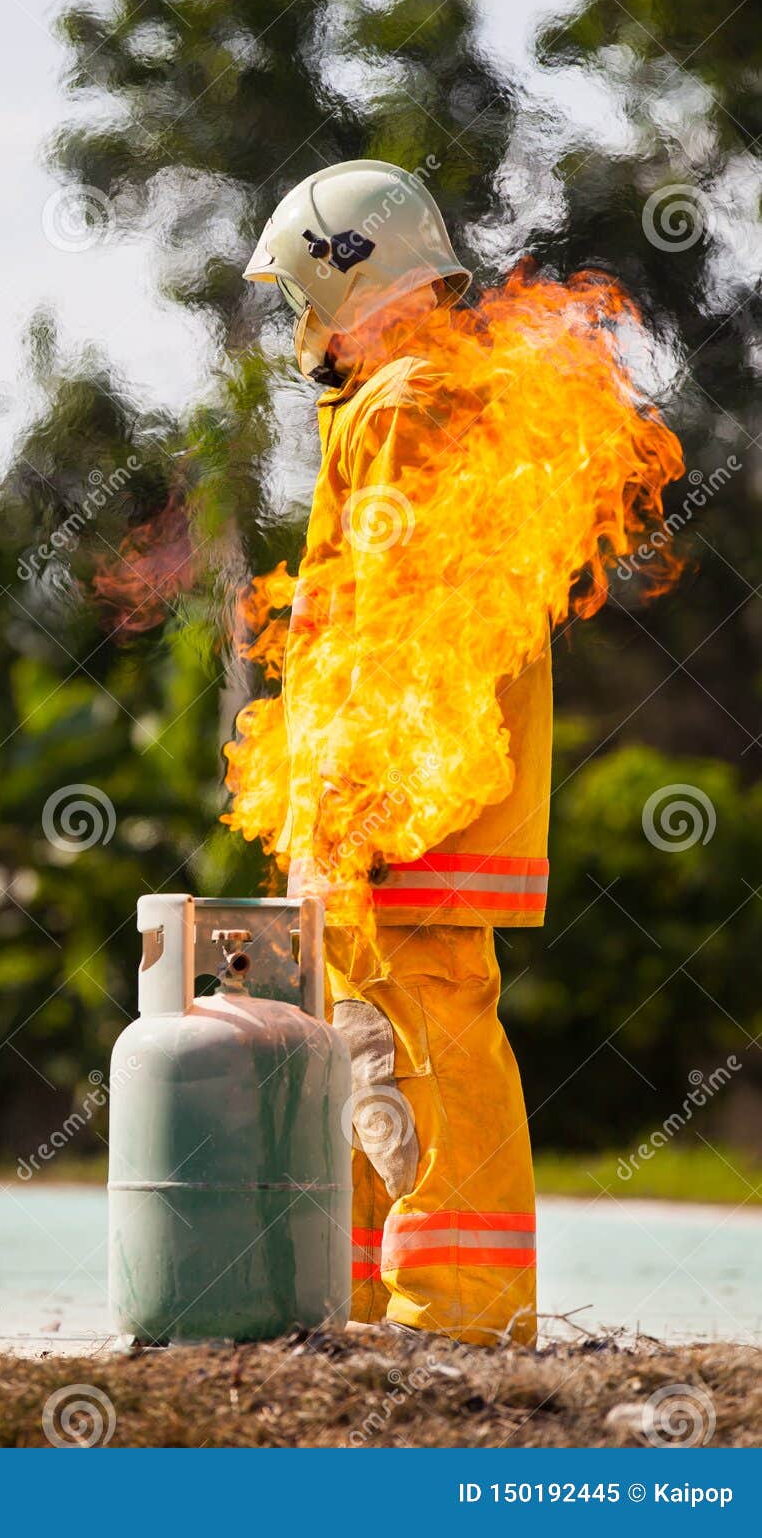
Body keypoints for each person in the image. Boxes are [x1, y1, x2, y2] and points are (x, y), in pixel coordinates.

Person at [242, 161, 550, 1346]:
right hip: (385, 800)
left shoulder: (403, 406)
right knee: (370, 1051)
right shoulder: (404, 403)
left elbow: (404, 622)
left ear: (341, 274)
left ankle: (457, 1311)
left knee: (416, 1045)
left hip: (399, 808)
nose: (297, 323)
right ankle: (378, 1295)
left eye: (299, 294)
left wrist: (358, 801)